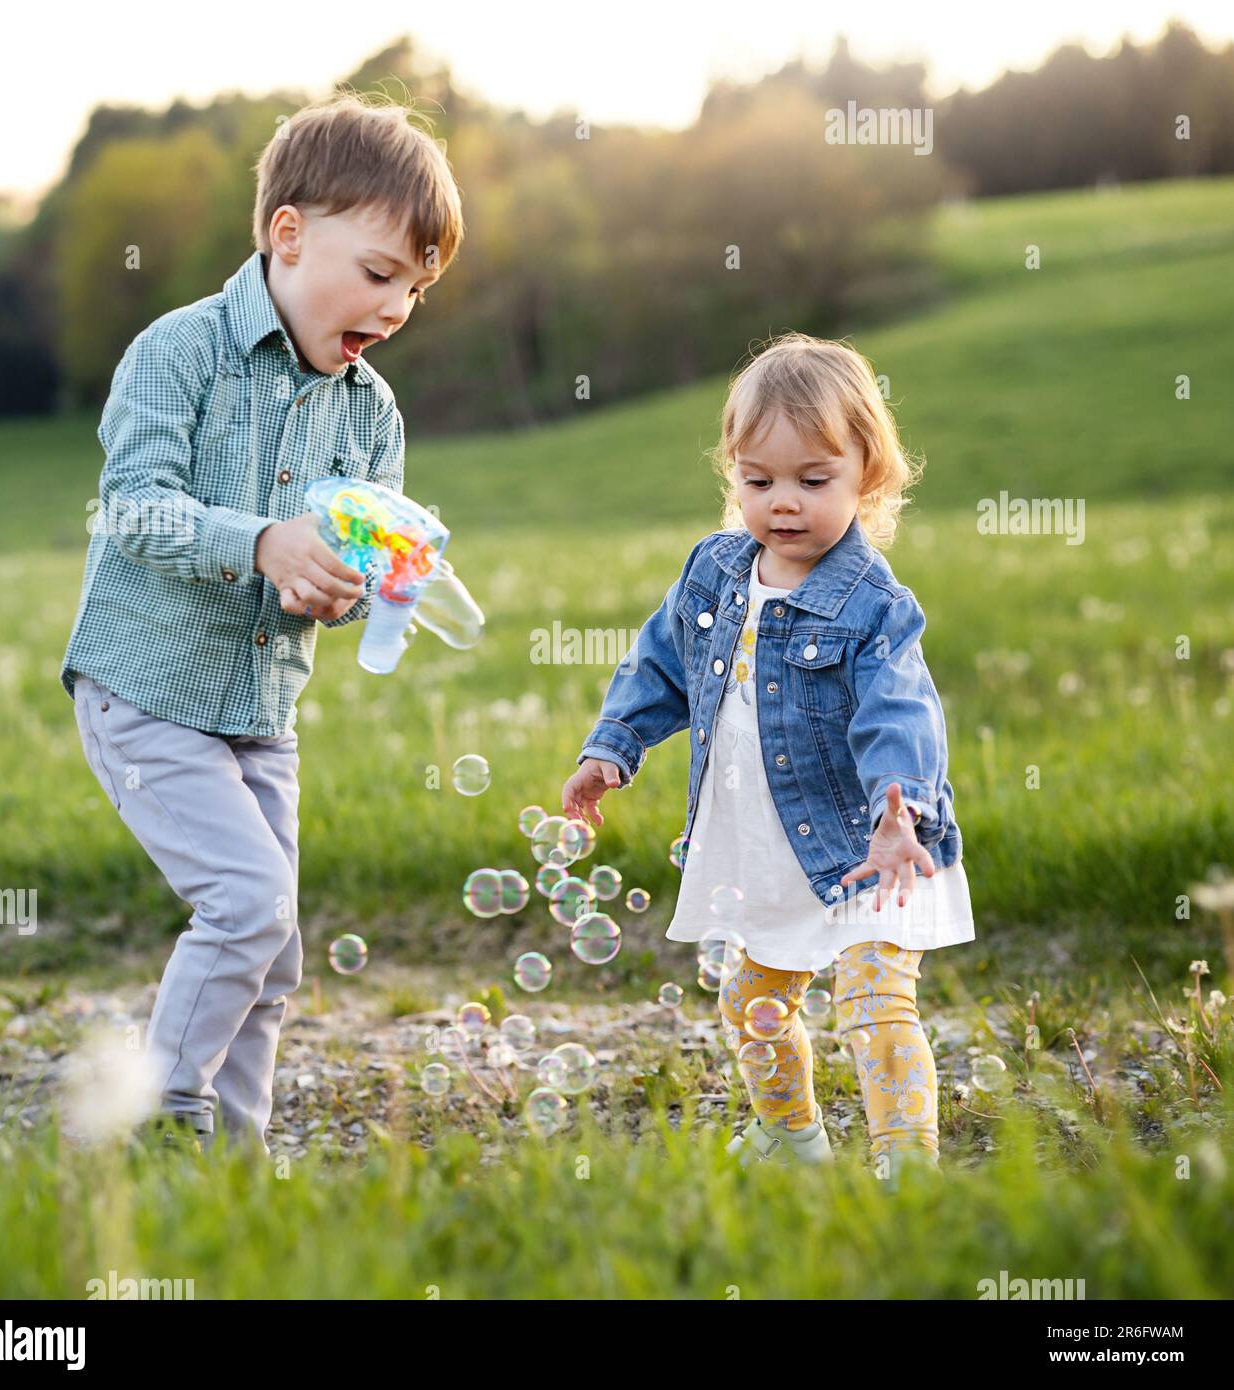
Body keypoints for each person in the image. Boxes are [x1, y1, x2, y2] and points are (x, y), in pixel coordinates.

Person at [59, 93, 464, 1153]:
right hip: (146, 690)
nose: (395, 307)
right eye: (379, 274)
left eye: (414, 288)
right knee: (248, 906)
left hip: (260, 710)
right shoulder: (178, 351)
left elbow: (349, 566)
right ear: (289, 234)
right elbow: (136, 506)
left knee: (271, 951)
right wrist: (261, 542)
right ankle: (168, 1121)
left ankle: (227, 1160)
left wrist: (358, 586)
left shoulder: (371, 412)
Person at [562, 332, 974, 1190]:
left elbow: (901, 711)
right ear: (733, 477)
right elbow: (660, 663)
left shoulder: (871, 606)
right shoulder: (715, 573)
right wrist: (614, 746)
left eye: (813, 480)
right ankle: (792, 1134)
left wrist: (901, 811)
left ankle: (908, 1164)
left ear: (869, 474)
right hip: (761, 847)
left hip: (872, 846)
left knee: (874, 1003)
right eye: (759, 480)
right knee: (750, 999)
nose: (784, 502)